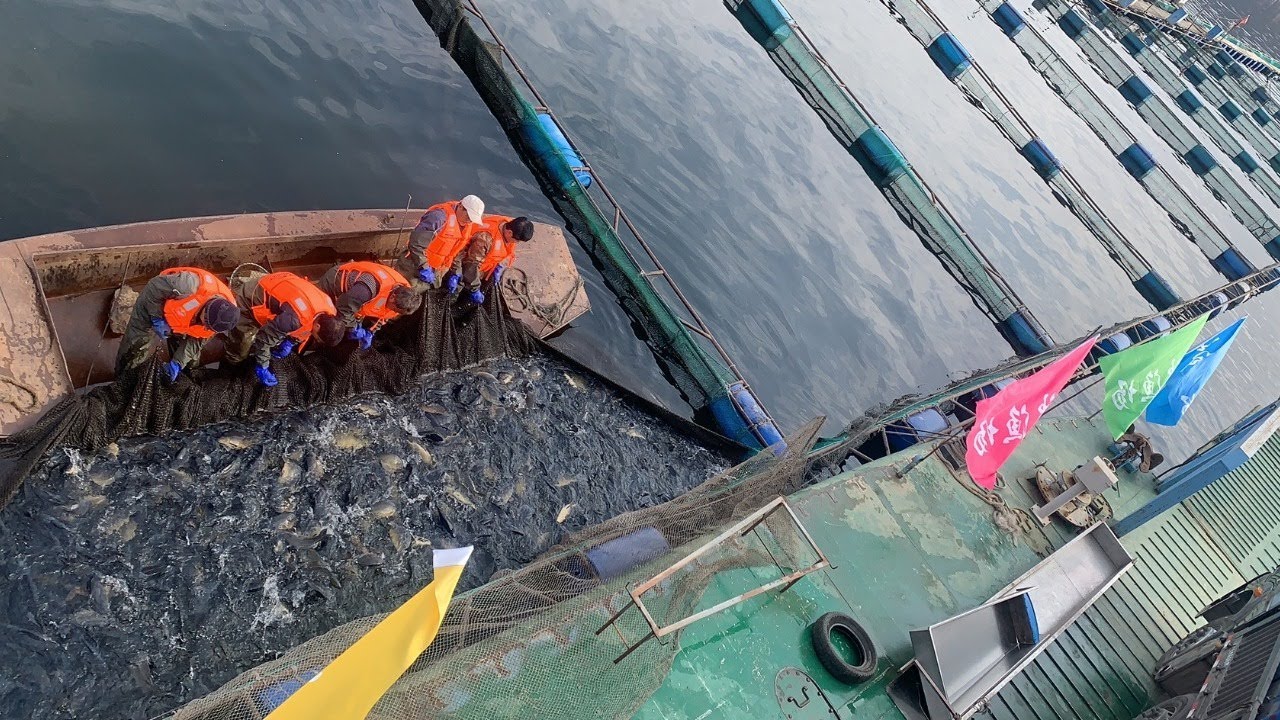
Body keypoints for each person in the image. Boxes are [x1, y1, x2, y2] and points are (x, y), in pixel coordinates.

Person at [115, 267, 240, 381]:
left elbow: (197, 342)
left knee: (189, 361)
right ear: (206, 309)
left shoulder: (223, 320)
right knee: (135, 348)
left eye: (208, 327)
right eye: (205, 322)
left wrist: (178, 362)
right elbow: (153, 287)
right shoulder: (188, 286)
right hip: (156, 300)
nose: (204, 327)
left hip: (183, 321)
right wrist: (156, 318)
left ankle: (176, 372)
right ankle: (123, 379)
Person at [226, 270, 345, 386]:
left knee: (277, 335)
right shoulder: (294, 319)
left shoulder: (330, 312)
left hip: (283, 287)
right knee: (241, 346)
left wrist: (291, 342)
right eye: (318, 338)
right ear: (318, 326)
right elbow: (263, 339)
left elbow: (305, 328)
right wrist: (263, 366)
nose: (317, 340)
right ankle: (230, 369)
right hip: (252, 296)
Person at [314, 261, 423, 349]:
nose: (394, 312)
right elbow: (343, 308)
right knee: (319, 315)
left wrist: (370, 332)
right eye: (394, 309)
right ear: (393, 297)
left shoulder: (402, 299)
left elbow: (383, 316)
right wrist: (353, 328)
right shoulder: (367, 289)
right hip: (334, 284)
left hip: (355, 301)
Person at [397, 195, 486, 289]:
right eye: (468, 216)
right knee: (403, 293)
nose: (469, 221)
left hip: (436, 270)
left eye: (472, 219)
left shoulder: (467, 225)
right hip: (413, 266)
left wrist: (455, 272)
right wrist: (423, 267)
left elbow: (457, 251)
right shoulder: (438, 217)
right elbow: (416, 244)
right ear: (460, 206)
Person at [446, 215, 535, 305]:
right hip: (463, 262)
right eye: (517, 241)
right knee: (457, 288)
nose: (516, 243)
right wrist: (475, 289)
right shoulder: (485, 240)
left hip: (481, 263)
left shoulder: (507, 225)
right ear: (509, 232)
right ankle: (451, 302)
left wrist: (498, 266)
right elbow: (470, 266)